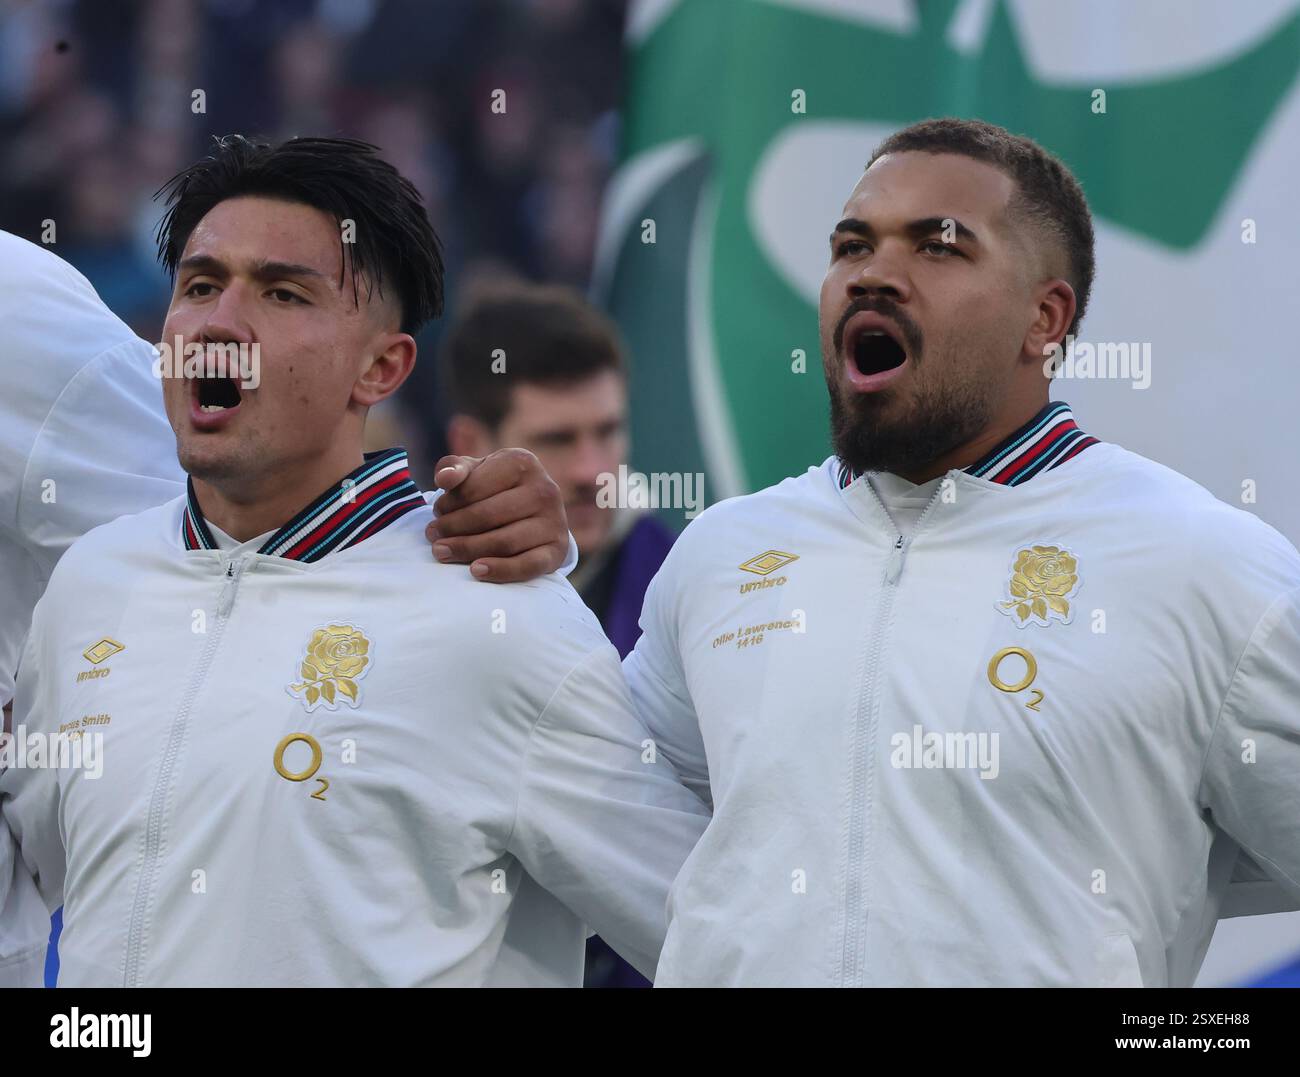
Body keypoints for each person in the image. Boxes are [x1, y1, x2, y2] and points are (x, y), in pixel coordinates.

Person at [0, 137, 698, 987]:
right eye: (200, 285)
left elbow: (713, 933)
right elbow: (45, 859)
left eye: (284, 292)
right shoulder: (88, 588)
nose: (220, 322)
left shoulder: (498, 615)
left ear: (382, 367)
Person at [621, 118, 1300, 986]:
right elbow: (604, 821)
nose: (874, 273)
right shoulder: (722, 553)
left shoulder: (1205, 565)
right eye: (851, 244)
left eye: (938, 247)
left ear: (1044, 319)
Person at [440, 282, 678, 986]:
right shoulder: (409, 602)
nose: (591, 472)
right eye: (555, 440)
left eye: (607, 431)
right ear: (468, 444)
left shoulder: (694, 589)